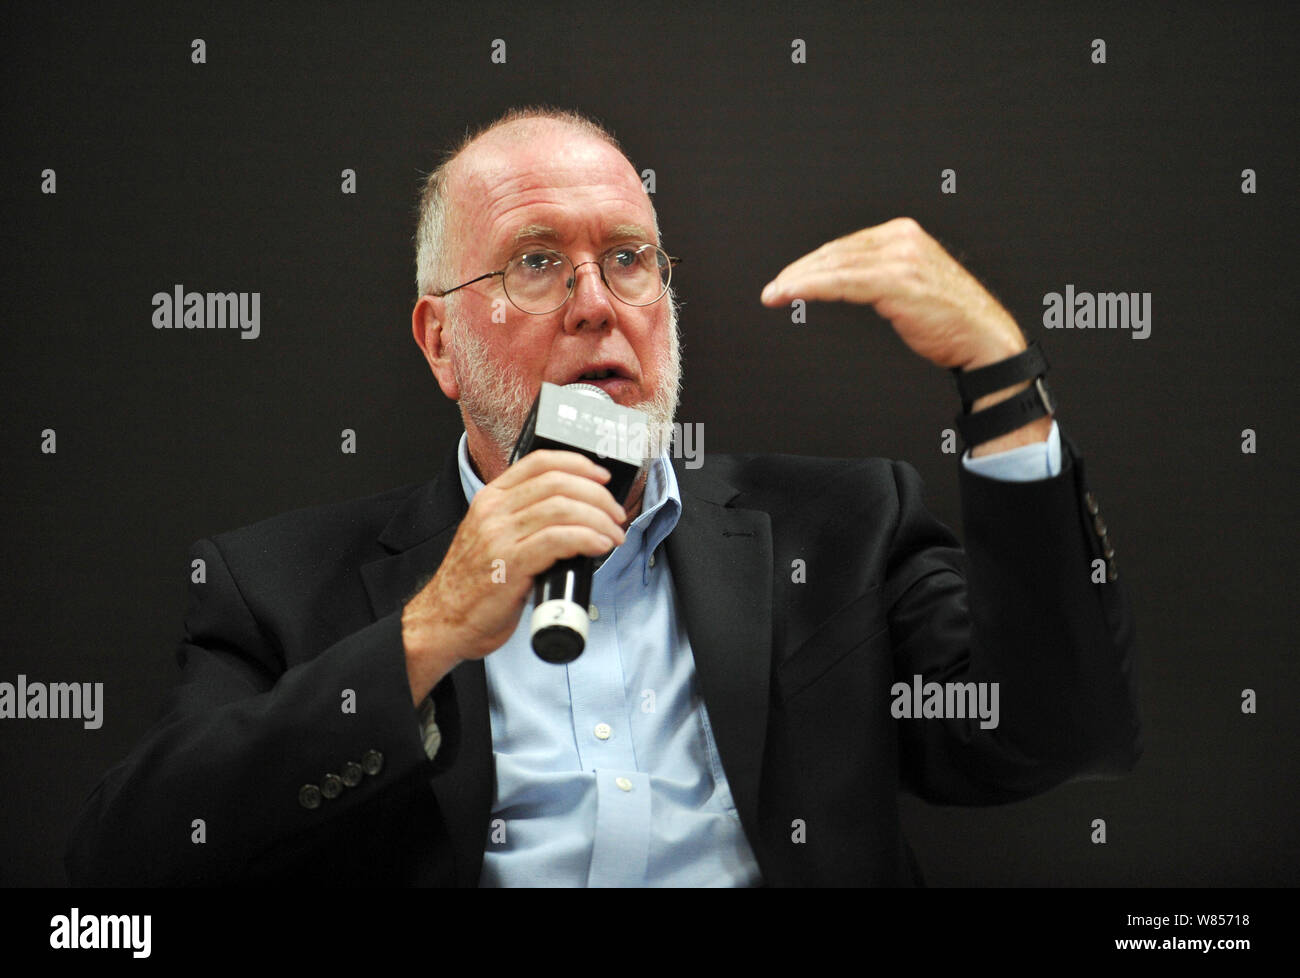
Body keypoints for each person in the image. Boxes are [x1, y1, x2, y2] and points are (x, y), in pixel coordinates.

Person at [66, 106, 1139, 886]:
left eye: (628, 259)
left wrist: (1002, 380)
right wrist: (428, 632)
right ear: (440, 342)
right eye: (537, 262)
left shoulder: (844, 533)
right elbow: (127, 869)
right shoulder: (276, 587)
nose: (595, 305)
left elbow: (1056, 732)